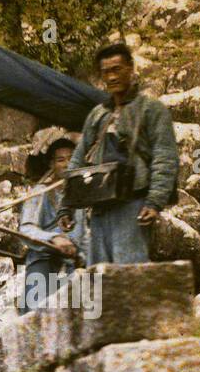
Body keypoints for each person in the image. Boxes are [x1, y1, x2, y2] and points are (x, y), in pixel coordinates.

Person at [58, 42, 178, 265]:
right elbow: (78, 159)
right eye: (106, 72)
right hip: (100, 207)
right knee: (99, 273)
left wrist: (154, 202)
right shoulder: (97, 114)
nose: (112, 77)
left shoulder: (152, 109)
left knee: (129, 271)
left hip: (132, 205)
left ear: (131, 68)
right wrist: (66, 206)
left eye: (117, 69)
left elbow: (165, 157)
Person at [18, 137, 86, 313]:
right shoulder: (40, 192)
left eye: (72, 158)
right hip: (43, 259)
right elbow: (25, 229)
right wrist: (54, 238)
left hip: (74, 262)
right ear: (51, 164)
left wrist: (81, 253)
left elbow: (86, 233)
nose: (67, 164)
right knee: (36, 315)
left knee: (83, 315)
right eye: (60, 160)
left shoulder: (83, 193)